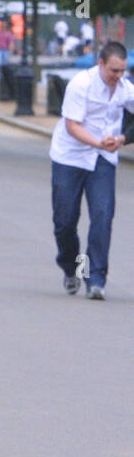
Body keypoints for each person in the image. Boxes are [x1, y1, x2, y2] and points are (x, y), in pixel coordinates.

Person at [50, 41, 134, 300]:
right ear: (100, 63)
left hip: (102, 159)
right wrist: (98, 142)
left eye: (123, 71)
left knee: (102, 216)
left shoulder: (125, 89)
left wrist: (121, 139)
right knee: (64, 221)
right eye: (114, 71)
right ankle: (69, 267)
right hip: (70, 157)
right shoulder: (80, 85)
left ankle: (96, 279)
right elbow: (72, 125)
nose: (118, 76)